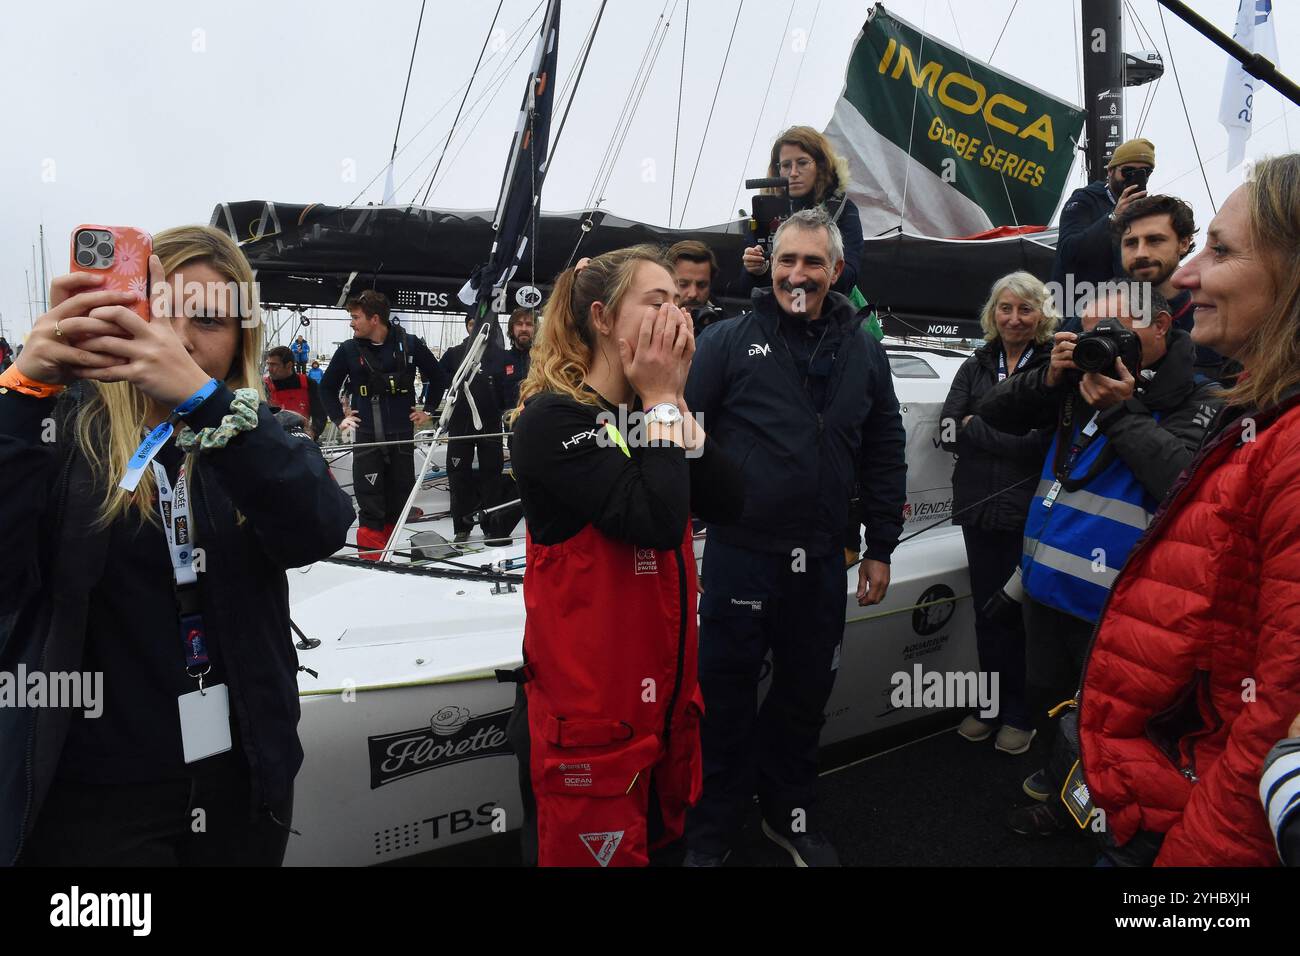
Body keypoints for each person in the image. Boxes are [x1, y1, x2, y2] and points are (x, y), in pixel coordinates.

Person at [0, 225, 353, 866]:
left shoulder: (258, 430)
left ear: (242, 339)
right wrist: (23, 388)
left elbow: (321, 527)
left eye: (210, 320)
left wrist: (205, 403)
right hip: (98, 794)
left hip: (240, 779)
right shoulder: (62, 434)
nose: (180, 338)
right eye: (160, 311)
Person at [1079, 153, 1300, 866]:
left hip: (1196, 817)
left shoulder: (1285, 446)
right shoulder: (1264, 418)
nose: (1184, 275)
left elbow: (1274, 719)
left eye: (1221, 250)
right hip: (1164, 770)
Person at [504, 245, 743, 867]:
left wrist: (673, 407)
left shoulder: (647, 416)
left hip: (660, 718)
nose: (677, 313)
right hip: (592, 728)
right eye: (657, 301)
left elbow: (730, 499)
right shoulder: (553, 419)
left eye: (680, 301)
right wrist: (661, 401)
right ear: (605, 318)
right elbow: (657, 521)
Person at [684, 208, 906, 866]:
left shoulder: (865, 348)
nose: (798, 274)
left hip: (822, 563)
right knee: (722, 702)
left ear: (836, 271)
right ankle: (713, 825)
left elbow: (885, 447)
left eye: (813, 262)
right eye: (787, 260)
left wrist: (883, 545)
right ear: (770, 266)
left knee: (804, 698)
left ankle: (789, 813)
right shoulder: (726, 340)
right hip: (739, 558)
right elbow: (685, 437)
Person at [977, 284, 1221, 837]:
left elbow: (1181, 482)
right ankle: (1057, 776)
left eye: (1119, 332)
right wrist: (1048, 377)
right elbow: (992, 412)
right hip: (1048, 587)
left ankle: (1097, 817)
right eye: (1091, 334)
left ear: (1161, 326)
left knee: (1110, 720)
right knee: (1046, 695)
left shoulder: (1202, 399)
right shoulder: (1077, 382)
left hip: (1121, 606)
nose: (1104, 346)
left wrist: (1120, 410)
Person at [939, 272, 1057, 756]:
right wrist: (983, 430)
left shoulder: (1054, 367)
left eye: (1024, 310)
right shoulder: (977, 363)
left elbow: (1043, 445)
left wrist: (979, 428)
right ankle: (989, 705)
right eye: (1005, 309)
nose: (1014, 318)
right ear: (993, 314)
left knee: (1023, 618)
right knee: (988, 615)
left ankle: (1020, 713)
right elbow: (948, 429)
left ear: (1040, 315)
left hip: (1026, 513)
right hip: (977, 509)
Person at [320, 290, 447, 560]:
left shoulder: (410, 344)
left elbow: (438, 376)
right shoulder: (348, 350)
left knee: (399, 496)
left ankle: (390, 553)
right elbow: (327, 388)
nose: (351, 323)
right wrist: (339, 418)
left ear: (374, 319)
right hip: (367, 438)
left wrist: (430, 410)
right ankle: (371, 557)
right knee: (370, 499)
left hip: (401, 436)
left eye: (355, 317)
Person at [737, 126, 864, 301]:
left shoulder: (843, 209)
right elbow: (745, 288)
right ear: (777, 170)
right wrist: (756, 270)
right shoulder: (764, 212)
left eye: (802, 163)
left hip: (831, 315)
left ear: (820, 165)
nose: (794, 173)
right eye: (786, 165)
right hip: (777, 318)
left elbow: (848, 277)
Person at [1112, 193, 1229, 381]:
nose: (1140, 253)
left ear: (1184, 243)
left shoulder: (1219, 311)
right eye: (1131, 243)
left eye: (1154, 240)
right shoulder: (1100, 307)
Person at [1052, 138, 1155, 329]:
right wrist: (1114, 216)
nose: (1135, 177)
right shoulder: (1083, 200)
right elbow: (1068, 251)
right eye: (1128, 171)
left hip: (1125, 310)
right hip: (1077, 309)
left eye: (1144, 172)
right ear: (1110, 171)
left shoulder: (1144, 212)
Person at [439, 314, 507, 543]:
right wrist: (429, 410)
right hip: (460, 423)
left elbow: (507, 388)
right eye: (471, 325)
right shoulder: (453, 354)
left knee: (492, 475)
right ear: (467, 327)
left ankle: (493, 527)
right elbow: (438, 380)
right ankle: (462, 526)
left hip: (490, 424)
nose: (476, 330)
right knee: (459, 476)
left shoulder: (498, 356)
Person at [264, 345, 326, 439]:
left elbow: (320, 414)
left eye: (274, 365)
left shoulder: (308, 384)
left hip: (301, 438)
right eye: (268, 364)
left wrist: (313, 432)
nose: (269, 369)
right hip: (273, 440)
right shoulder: (264, 385)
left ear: (289, 365)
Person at [666, 240, 726, 335]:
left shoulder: (725, 329)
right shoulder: (647, 322)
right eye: (683, 284)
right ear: (665, 282)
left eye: (702, 285)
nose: (693, 294)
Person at [501, 307, 535, 419]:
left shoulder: (544, 360)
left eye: (529, 324)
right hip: (511, 426)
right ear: (512, 329)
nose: (524, 329)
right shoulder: (502, 360)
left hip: (540, 424)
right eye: (519, 324)